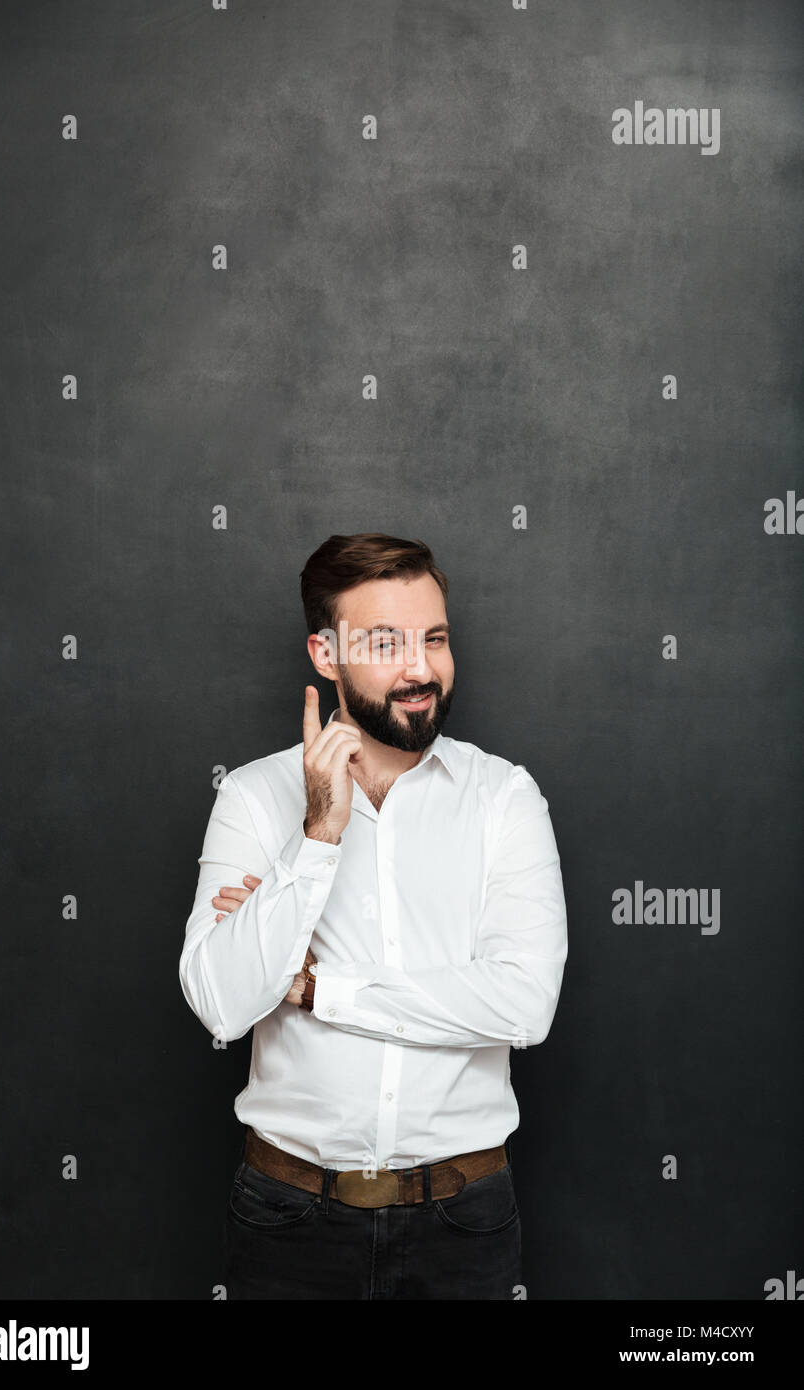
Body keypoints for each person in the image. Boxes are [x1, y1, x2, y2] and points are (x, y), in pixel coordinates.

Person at [179, 532, 568, 1299]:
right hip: (287, 1221)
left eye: (435, 639)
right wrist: (318, 837)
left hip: (464, 1225)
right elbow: (223, 1002)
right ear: (326, 655)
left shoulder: (504, 799)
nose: (420, 668)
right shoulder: (256, 800)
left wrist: (326, 990)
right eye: (386, 642)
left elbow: (524, 1004)